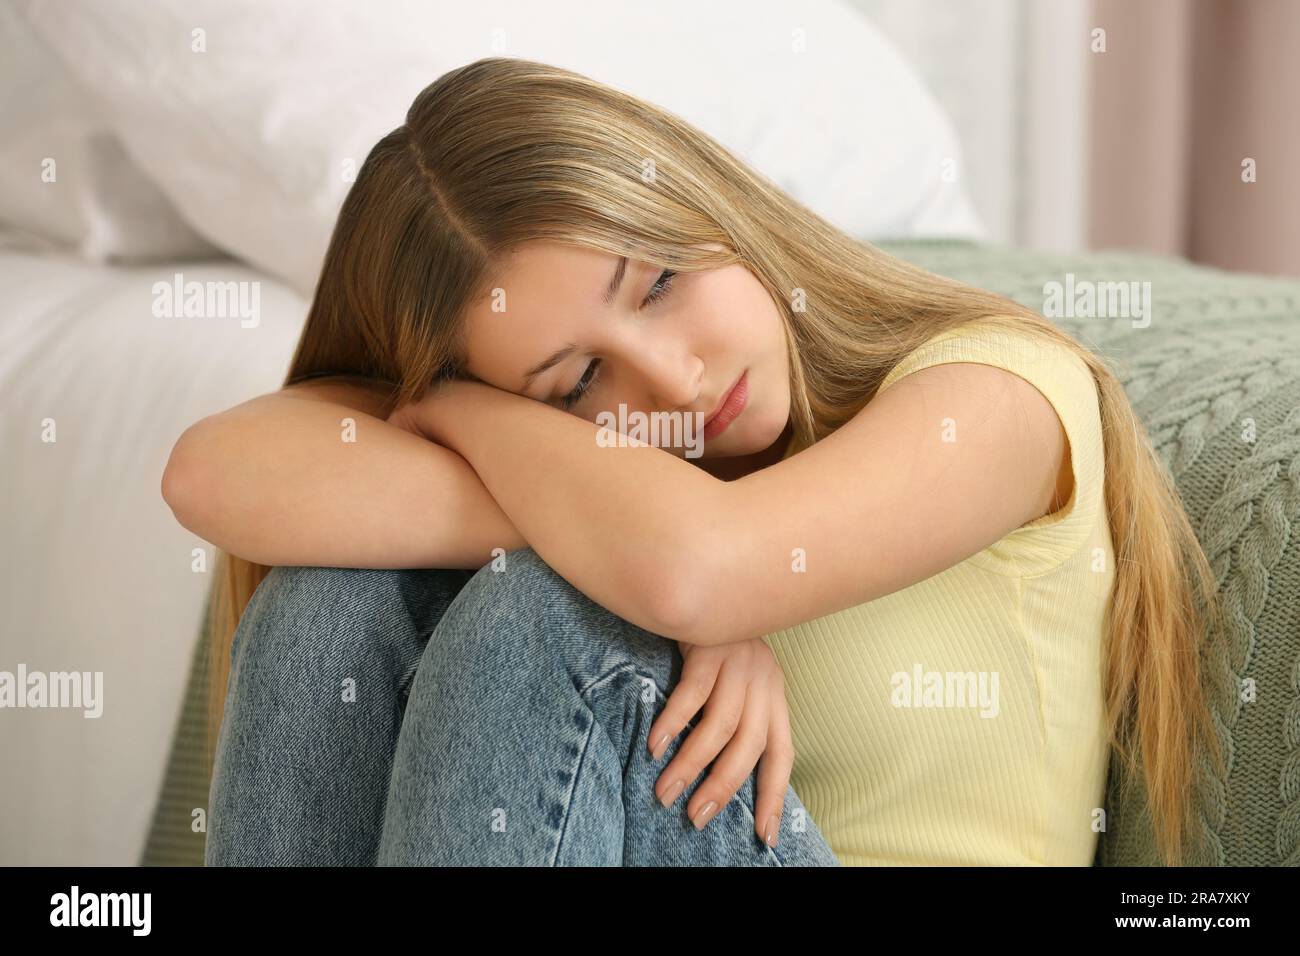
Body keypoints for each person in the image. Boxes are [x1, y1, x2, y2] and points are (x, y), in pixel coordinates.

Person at [163, 57, 1225, 866]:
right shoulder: (612, 494)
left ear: (705, 200)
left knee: (543, 611)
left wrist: (648, 578)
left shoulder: (998, 390)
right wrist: (479, 418)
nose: (669, 383)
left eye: (659, 280)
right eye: (576, 383)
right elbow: (210, 473)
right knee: (328, 603)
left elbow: (703, 565)